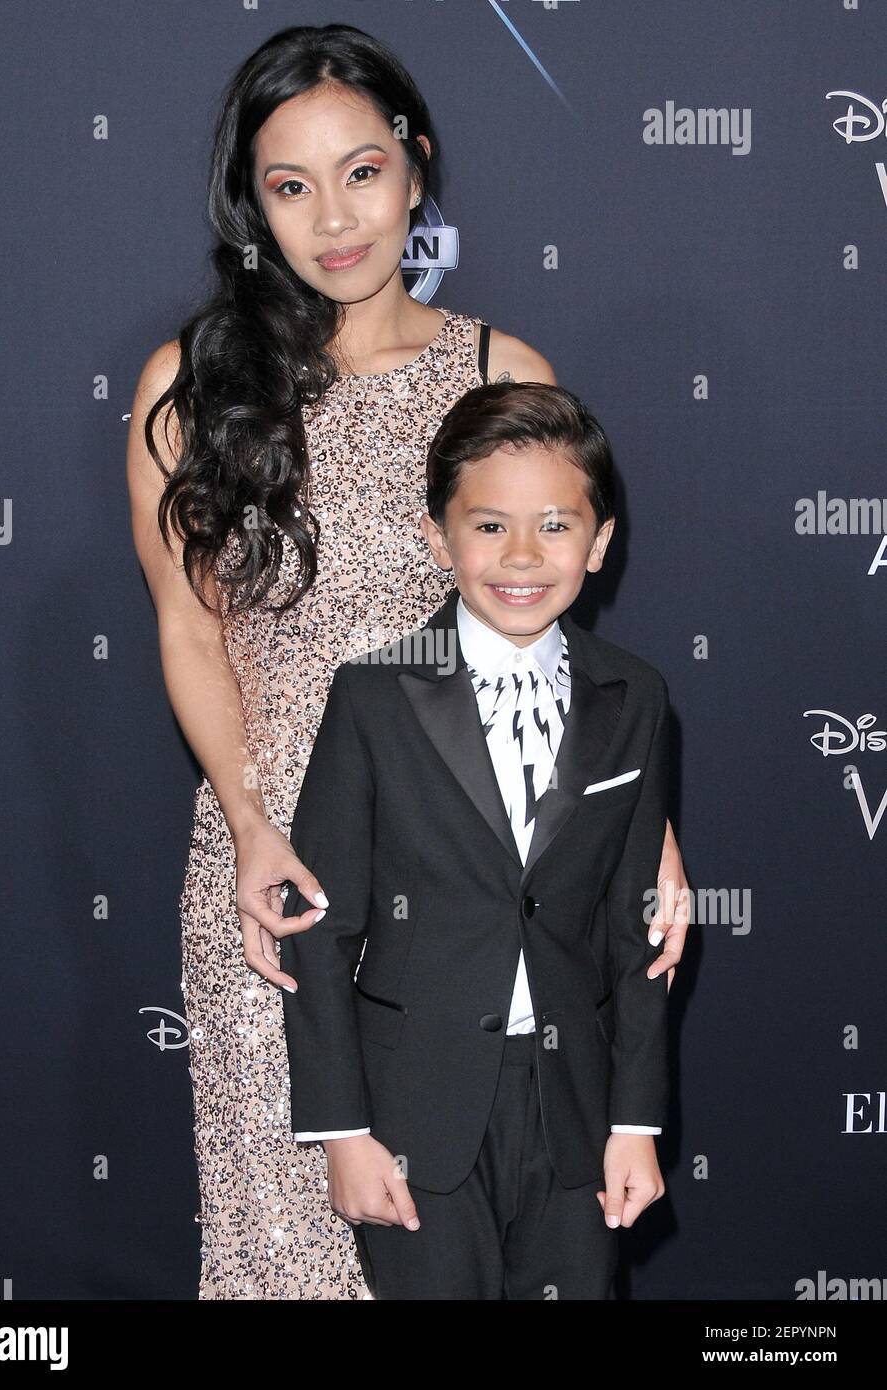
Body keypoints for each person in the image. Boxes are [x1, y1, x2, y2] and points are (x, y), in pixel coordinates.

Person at [125, 23, 690, 1300]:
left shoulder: (501, 372)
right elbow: (187, 628)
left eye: (363, 170)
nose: (334, 217)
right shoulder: (192, 386)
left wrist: (636, 830)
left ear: (416, 170)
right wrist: (254, 825)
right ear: (249, 204)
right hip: (283, 875)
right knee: (287, 1251)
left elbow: (546, 627)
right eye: (290, 184)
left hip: (468, 879)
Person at [280, 381, 673, 1300]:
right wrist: (342, 1131)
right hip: (416, 1113)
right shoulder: (374, 695)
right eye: (489, 527)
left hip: (576, 1111)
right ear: (437, 538)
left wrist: (637, 1122)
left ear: (601, 541)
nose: (523, 557)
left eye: (556, 526)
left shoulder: (637, 697)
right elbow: (321, 928)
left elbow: (638, 927)